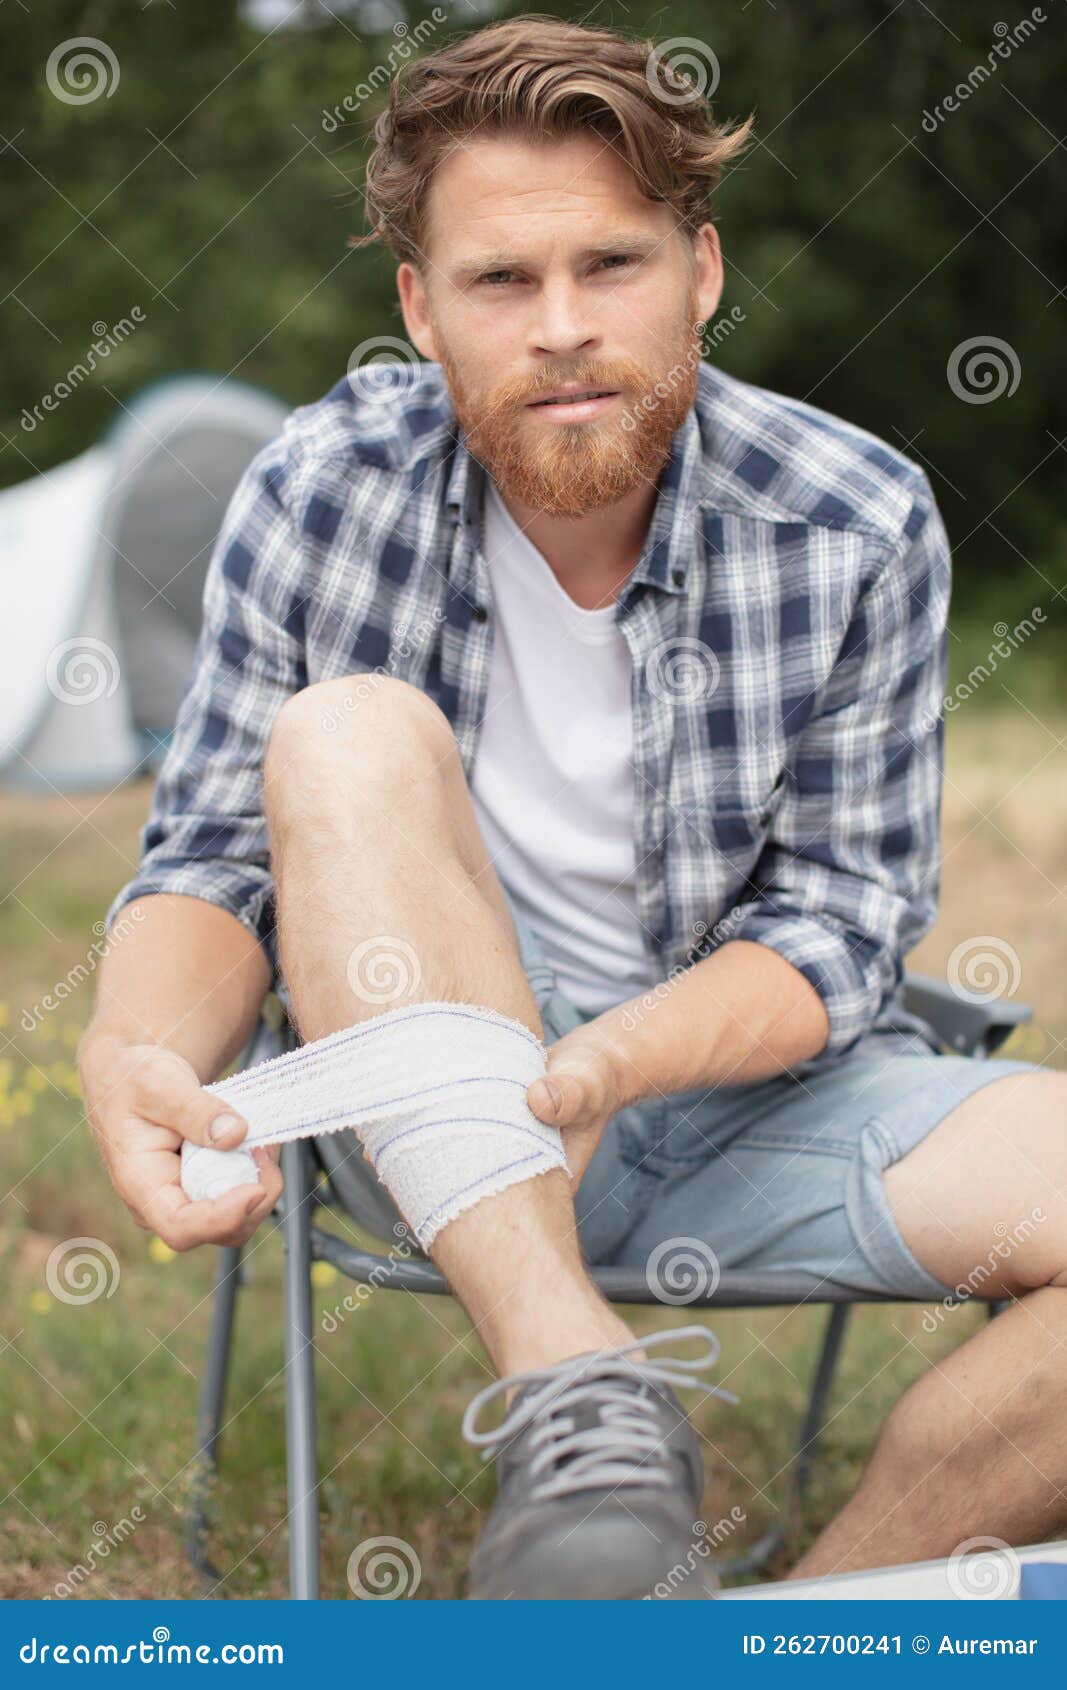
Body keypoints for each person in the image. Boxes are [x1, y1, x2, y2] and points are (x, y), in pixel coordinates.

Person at [79, 16, 1064, 1601]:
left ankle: (780, 1633)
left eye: (611, 264)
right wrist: (134, 1045)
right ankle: (584, 1396)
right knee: (345, 733)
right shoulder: (318, 489)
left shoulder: (857, 516)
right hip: (427, 1094)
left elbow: (836, 931)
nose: (562, 328)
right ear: (419, 306)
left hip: (748, 1094)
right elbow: (211, 863)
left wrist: (613, 1059)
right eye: (499, 280)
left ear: (702, 271)